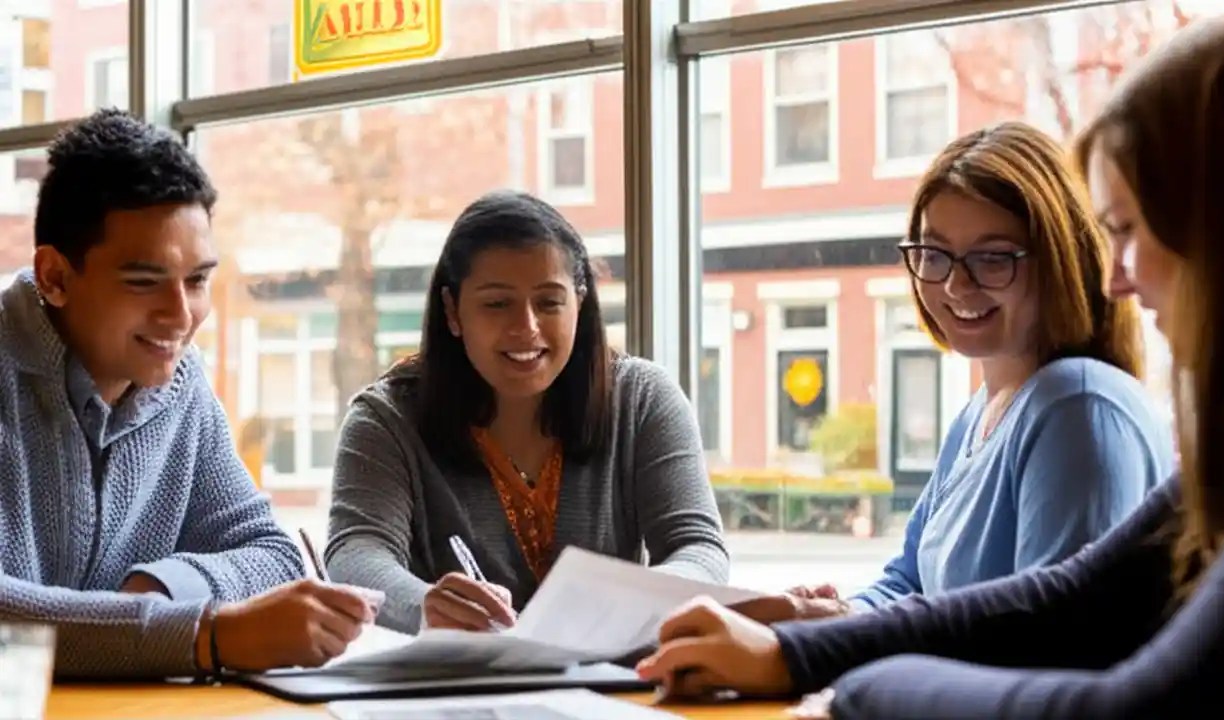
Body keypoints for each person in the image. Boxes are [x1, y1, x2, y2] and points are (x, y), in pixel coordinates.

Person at [635, 13, 1224, 717]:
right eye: (936, 255)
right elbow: (1069, 594)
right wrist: (799, 646)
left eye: (1127, 230)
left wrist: (853, 685)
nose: (1118, 277)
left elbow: (1119, 688)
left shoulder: (1082, 404)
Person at [742, 121, 1173, 624]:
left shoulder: (1077, 408)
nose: (955, 285)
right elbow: (909, 582)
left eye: (992, 259)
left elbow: (1050, 640)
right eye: (934, 253)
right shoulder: (982, 411)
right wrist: (824, 617)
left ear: (1061, 260)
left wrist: (824, 647)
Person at [0, 109, 380, 679]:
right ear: (54, 277)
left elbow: (271, 554)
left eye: (198, 280)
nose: (180, 316)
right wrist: (206, 634)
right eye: (143, 281)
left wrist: (160, 587)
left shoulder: (180, 379)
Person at [325, 190, 730, 634]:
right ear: (452, 311)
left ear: (579, 302)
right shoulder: (385, 421)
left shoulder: (644, 399)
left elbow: (699, 547)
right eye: (497, 303)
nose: (527, 327)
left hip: (612, 683)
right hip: (454, 684)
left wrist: (634, 602)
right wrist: (426, 606)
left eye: (549, 302)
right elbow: (356, 553)